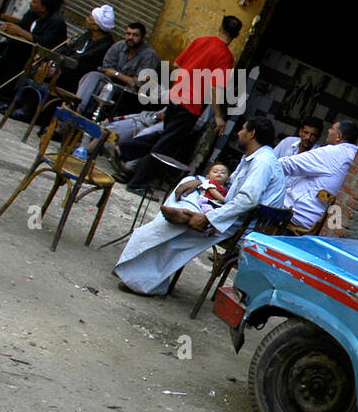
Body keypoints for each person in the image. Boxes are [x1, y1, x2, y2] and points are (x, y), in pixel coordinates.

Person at [114, 116, 284, 296]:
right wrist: (201, 182)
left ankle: (145, 283)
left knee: (170, 230)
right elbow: (229, 188)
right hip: (232, 213)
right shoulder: (253, 157)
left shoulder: (262, 162)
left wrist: (208, 218)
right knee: (189, 181)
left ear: (252, 133)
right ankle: (182, 214)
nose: (239, 133)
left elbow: (246, 201)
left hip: (240, 226)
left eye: (243, 129)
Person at [118, 15, 241, 192]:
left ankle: (124, 149)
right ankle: (137, 183)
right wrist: (218, 116)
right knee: (164, 147)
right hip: (190, 106)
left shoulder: (200, 41)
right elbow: (215, 87)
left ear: (220, 27)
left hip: (175, 98)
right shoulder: (225, 56)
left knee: (164, 137)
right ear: (236, 35)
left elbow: (177, 64)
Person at [26, 5, 118, 126]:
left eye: (89, 18)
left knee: (50, 74)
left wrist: (58, 65)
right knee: (38, 67)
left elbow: (81, 61)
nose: (86, 19)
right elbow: (67, 49)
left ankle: (33, 113)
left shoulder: (105, 45)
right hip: (65, 68)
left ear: (96, 26)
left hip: (77, 77)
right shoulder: (86, 35)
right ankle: (26, 108)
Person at [0, 0, 68, 109]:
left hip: (40, 58)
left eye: (35, 2)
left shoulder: (56, 23)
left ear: (43, 8)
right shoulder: (31, 13)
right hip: (20, 47)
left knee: (14, 58)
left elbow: (44, 43)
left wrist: (20, 32)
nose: (30, 3)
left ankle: (1, 95)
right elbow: (21, 28)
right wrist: (8, 28)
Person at [279, 118, 358, 229]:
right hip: (318, 218)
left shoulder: (334, 153)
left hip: (297, 213)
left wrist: (264, 162)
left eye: (332, 129)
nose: (328, 131)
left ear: (339, 136)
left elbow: (289, 165)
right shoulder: (355, 155)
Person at [76, 21, 161, 114]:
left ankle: (82, 113)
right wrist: (118, 76)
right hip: (111, 82)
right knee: (92, 76)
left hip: (131, 93)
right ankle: (77, 107)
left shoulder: (149, 55)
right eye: (128, 34)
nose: (130, 37)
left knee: (104, 89)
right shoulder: (120, 45)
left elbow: (138, 83)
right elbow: (106, 68)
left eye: (135, 35)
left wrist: (116, 74)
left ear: (143, 38)